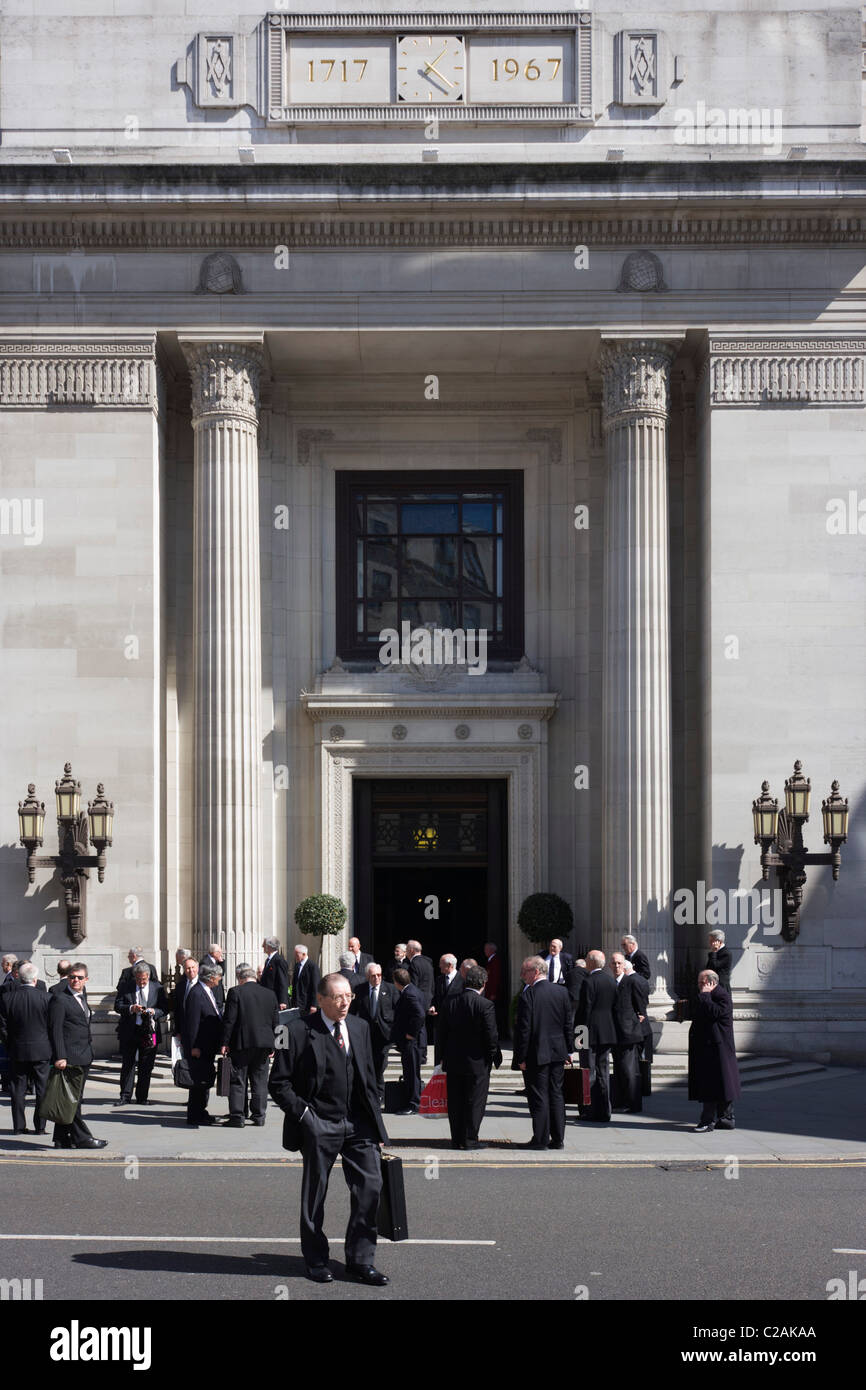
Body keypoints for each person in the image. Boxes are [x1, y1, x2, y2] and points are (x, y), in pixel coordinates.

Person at [268, 973, 389, 1286]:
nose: (345, 1002)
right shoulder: (293, 1030)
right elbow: (278, 1083)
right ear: (320, 1000)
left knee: (370, 1188)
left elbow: (371, 1072)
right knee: (315, 1196)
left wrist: (375, 1110)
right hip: (319, 1123)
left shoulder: (361, 1027)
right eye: (337, 997)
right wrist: (307, 1117)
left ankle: (361, 1261)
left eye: (348, 996)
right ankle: (316, 1260)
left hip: (359, 1123)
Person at [512, 956, 574, 1150]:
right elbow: (568, 1024)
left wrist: (520, 1057)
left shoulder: (528, 995)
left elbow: (524, 1030)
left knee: (539, 1096)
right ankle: (558, 1139)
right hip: (557, 1051)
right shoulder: (562, 992)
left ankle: (540, 1139)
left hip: (536, 1053)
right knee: (556, 1094)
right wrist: (569, 1050)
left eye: (525, 971)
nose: (522, 975)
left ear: (536, 972)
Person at [437, 964, 500, 1150]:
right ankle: (470, 1139)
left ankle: (457, 1139)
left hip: (454, 1061)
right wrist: (491, 1057)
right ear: (483, 983)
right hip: (477, 1062)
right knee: (475, 1102)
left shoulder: (450, 1002)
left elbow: (441, 1033)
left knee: (455, 1101)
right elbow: (491, 1036)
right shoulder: (485, 1004)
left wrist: (441, 1057)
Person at [48, 962, 106, 1150]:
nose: (75, 980)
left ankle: (61, 1138)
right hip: (70, 1057)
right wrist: (60, 1056)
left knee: (71, 1098)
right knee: (74, 1100)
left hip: (84, 1054)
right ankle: (82, 1138)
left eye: (80, 977)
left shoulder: (82, 996)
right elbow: (55, 1030)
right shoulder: (60, 999)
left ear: (86, 979)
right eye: (72, 977)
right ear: (68, 978)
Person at [221, 964, 279, 1127]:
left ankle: (237, 1116)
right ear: (255, 977)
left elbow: (229, 1020)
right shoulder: (270, 994)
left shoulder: (235, 992)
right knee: (260, 1081)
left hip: (241, 1044)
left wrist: (224, 1042)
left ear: (241, 978)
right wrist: (274, 1045)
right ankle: (259, 1116)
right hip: (264, 1045)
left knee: (238, 1080)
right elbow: (276, 1021)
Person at [0, 962, 51, 1134]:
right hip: (42, 1051)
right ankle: (41, 1126)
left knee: (17, 1090)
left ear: (19, 979)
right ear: (35, 980)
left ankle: (19, 1127)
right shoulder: (46, 998)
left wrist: (10, 1044)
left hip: (17, 1050)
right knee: (42, 1090)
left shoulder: (8, 998)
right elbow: (52, 1026)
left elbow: (2, 1027)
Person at [688, 969, 741, 1132]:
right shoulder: (709, 996)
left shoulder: (721, 996)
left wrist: (705, 995)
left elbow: (715, 1012)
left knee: (712, 1085)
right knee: (721, 1084)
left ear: (710, 982)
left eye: (701, 983)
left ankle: (707, 1121)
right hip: (710, 1048)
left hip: (718, 1048)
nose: (699, 986)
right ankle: (725, 1119)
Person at [114, 963, 167, 1106]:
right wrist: (131, 1008)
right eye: (138, 980)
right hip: (131, 1030)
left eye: (143, 980)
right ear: (134, 977)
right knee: (128, 1064)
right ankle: (125, 1096)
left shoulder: (158, 988)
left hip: (150, 1032)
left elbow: (164, 1009)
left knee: (147, 1065)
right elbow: (117, 1006)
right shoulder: (127, 987)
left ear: (148, 976)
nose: (141, 983)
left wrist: (153, 1012)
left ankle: (142, 1097)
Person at [575, 950, 618, 1123]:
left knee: (589, 1072)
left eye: (586, 959)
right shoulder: (611, 981)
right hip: (607, 1032)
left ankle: (590, 1110)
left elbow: (585, 1011)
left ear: (592, 963)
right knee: (604, 1072)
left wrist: (578, 1036)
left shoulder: (588, 981)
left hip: (589, 1033)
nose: (585, 962)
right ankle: (605, 1110)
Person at [182, 963, 223, 1126]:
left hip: (207, 1046)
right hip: (199, 1047)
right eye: (218, 976)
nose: (219, 980)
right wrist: (193, 1047)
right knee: (198, 1082)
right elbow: (192, 1024)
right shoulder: (197, 993)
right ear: (211, 977)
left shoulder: (207, 991)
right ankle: (195, 1115)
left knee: (204, 1081)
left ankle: (201, 1111)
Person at [350, 962, 396, 1103]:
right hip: (366, 1034)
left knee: (380, 1066)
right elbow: (353, 1011)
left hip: (384, 1035)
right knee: (366, 1065)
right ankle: (369, 1093)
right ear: (367, 976)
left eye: (379, 975)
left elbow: (397, 1010)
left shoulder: (390, 989)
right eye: (373, 976)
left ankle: (379, 1094)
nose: (376, 978)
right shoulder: (360, 989)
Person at [611, 953, 648, 1114]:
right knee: (620, 1069)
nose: (617, 966)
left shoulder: (631, 981)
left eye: (619, 963)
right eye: (614, 963)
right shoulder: (612, 983)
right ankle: (621, 1100)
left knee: (629, 1069)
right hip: (615, 1034)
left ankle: (632, 1103)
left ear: (624, 966)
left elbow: (640, 1005)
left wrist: (639, 1016)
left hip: (628, 1033)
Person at [390, 968, 426, 1114]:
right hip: (412, 1041)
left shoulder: (409, 994)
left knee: (412, 1073)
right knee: (411, 1072)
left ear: (396, 982)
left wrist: (411, 1034)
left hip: (412, 1042)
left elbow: (420, 1015)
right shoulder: (414, 990)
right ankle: (412, 1101)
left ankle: (414, 1103)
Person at [430, 953, 464, 1063]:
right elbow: (435, 998)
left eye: (441, 963)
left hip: (456, 1024)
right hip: (440, 1023)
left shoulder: (463, 980)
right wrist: (433, 1006)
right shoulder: (439, 980)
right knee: (440, 1055)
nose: (439, 966)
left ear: (449, 965)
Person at [261, 937, 290, 1009]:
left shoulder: (279, 960)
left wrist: (283, 1001)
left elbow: (283, 981)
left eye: (264, 944)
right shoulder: (268, 960)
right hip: (268, 999)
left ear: (269, 946)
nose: (262, 946)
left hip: (276, 1000)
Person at [291, 945, 319, 1016]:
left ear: (304, 954)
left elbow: (315, 986)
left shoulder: (312, 966)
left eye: (297, 955)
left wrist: (314, 1005)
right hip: (297, 1003)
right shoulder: (297, 966)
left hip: (307, 1004)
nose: (295, 957)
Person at [173, 955, 199, 1032]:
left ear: (197, 968)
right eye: (188, 968)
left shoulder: (204, 984)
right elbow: (177, 1010)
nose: (191, 970)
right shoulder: (180, 986)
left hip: (200, 1028)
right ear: (184, 970)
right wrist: (177, 1031)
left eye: (193, 967)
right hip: (184, 1029)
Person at [405, 941, 434, 1009]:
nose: (405, 951)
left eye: (406, 949)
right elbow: (432, 984)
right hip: (428, 1002)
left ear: (411, 950)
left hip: (418, 1003)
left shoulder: (414, 964)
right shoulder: (428, 962)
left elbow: (413, 986)